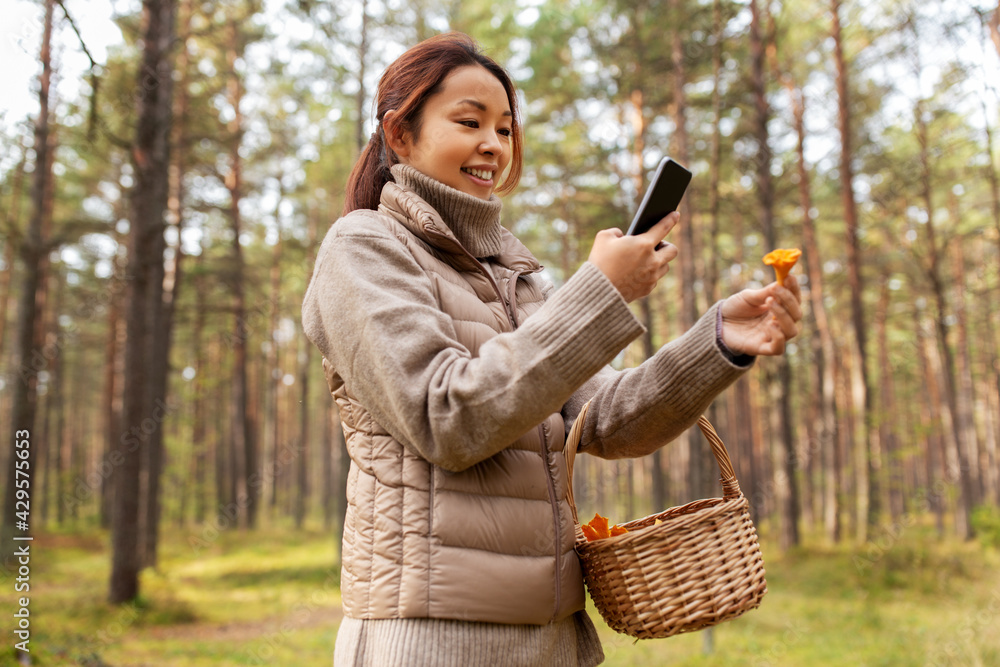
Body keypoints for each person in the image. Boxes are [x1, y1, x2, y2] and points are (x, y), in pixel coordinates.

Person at [302, 31, 802, 667]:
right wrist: (601, 291)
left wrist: (720, 340)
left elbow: (606, 420)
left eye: (505, 129)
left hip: (554, 635)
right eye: (469, 122)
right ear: (400, 134)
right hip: (431, 637)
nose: (493, 144)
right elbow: (445, 417)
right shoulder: (364, 247)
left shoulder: (518, 275)